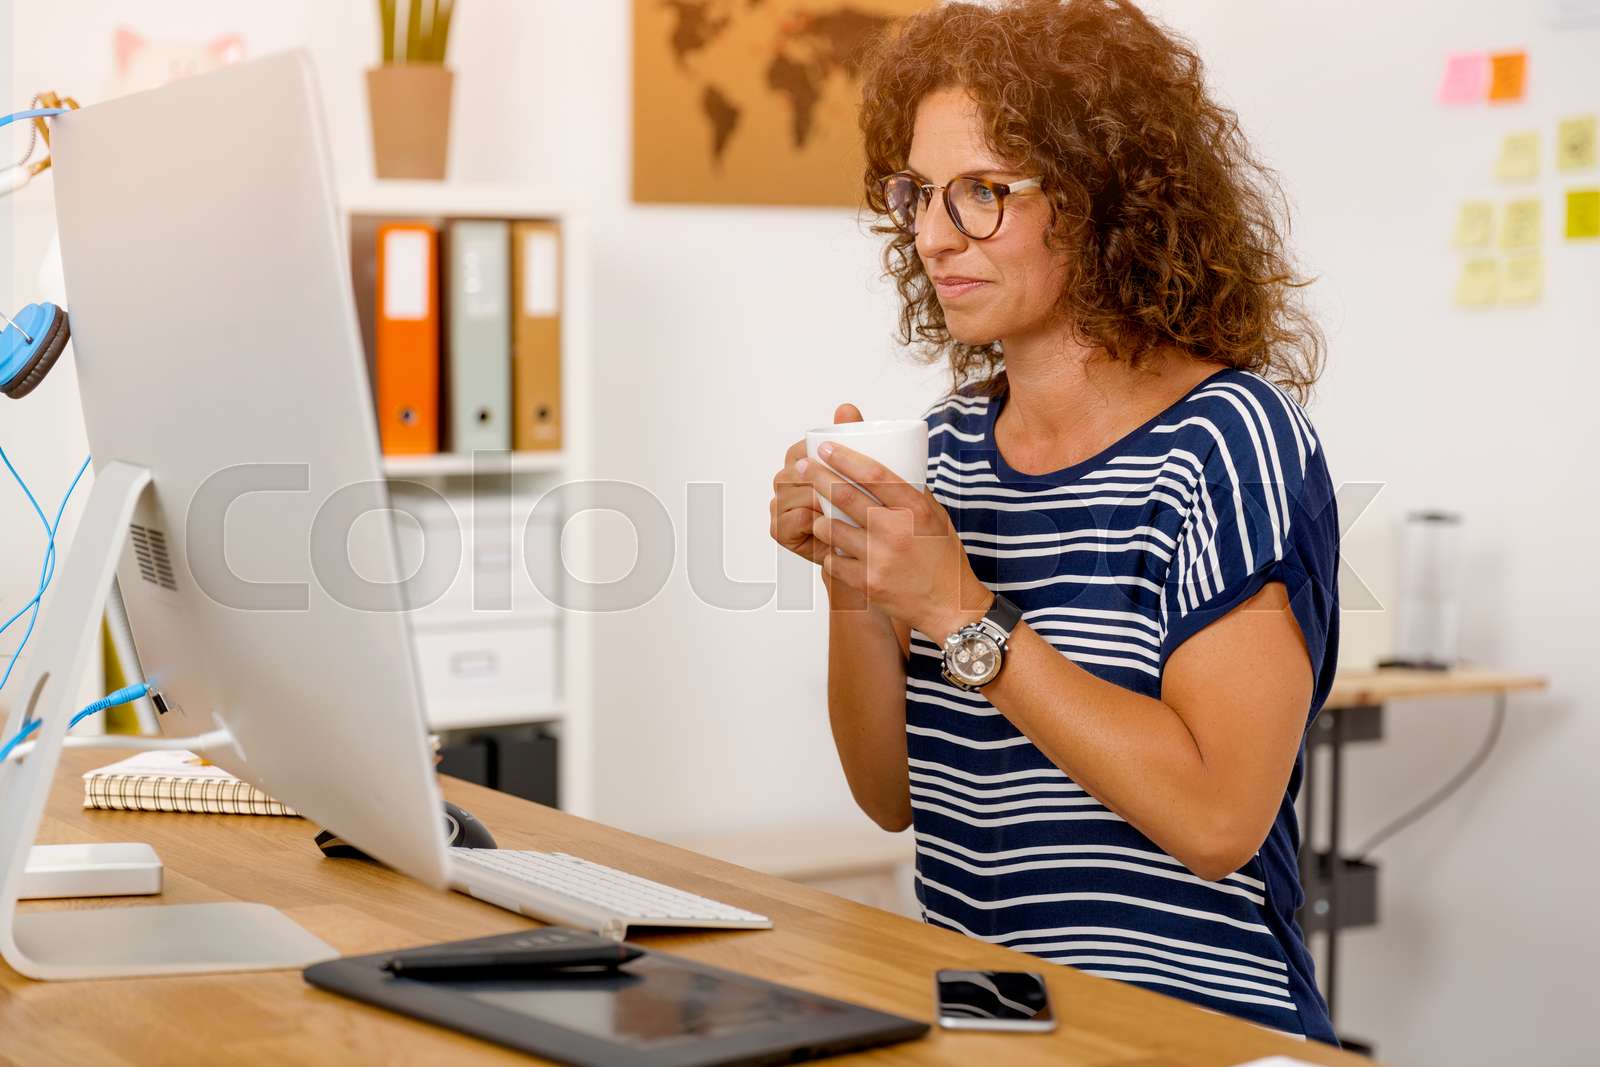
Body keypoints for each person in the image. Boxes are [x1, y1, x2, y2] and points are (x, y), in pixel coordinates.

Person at [768, 0, 1340, 1045]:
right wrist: (855, 579)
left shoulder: (1227, 438)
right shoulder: (938, 448)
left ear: (1101, 199)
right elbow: (890, 795)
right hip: (989, 1023)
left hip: (1188, 1032)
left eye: (983, 192)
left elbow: (1217, 822)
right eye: (919, 193)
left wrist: (957, 607)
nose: (934, 235)